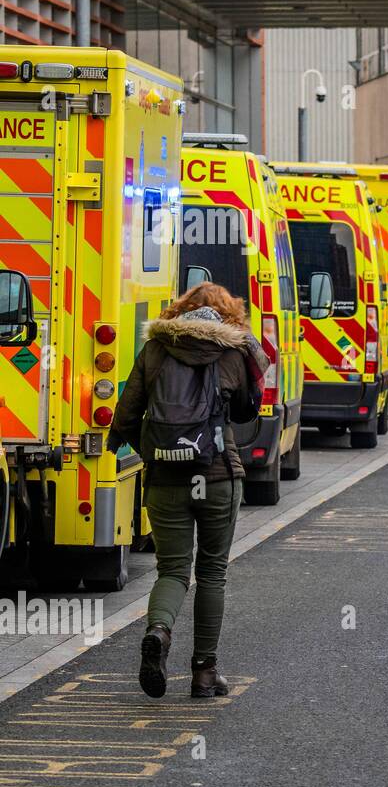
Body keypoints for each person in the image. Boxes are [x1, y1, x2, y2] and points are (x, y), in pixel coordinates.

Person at [108, 282, 268, 699]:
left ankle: (159, 631)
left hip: (165, 478)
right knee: (212, 571)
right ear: (228, 314)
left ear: (179, 309)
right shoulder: (234, 351)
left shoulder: (156, 349)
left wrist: (134, 446)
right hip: (216, 475)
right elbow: (247, 410)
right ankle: (204, 673)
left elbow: (127, 411)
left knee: (173, 569)